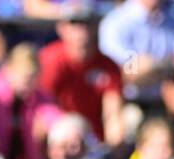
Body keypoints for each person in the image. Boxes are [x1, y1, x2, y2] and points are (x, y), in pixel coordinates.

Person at [38, 9, 124, 145]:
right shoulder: (50, 59)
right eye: (74, 24)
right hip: (59, 131)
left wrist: (114, 145)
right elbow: (43, 105)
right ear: (62, 29)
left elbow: (113, 113)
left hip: (93, 137)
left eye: (87, 24)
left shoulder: (108, 66)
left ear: (96, 27)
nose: (82, 31)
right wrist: (69, 130)